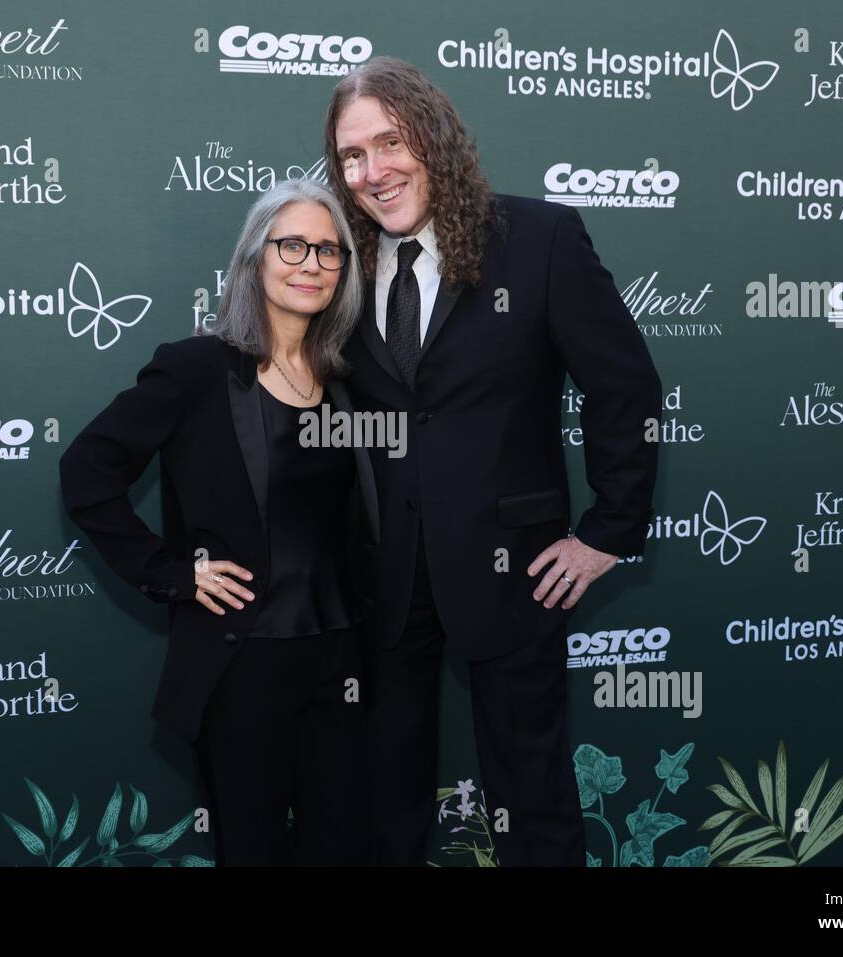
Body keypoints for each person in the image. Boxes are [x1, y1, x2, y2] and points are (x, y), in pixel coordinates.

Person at [324, 56, 663, 865]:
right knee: (381, 797)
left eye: (390, 142)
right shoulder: (338, 261)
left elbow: (626, 387)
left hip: (516, 569)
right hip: (381, 575)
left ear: (435, 137)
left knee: (532, 795)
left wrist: (607, 531)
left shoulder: (539, 239)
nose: (374, 171)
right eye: (352, 156)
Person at [58, 177, 377, 865]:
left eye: (329, 250)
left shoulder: (350, 381)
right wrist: (172, 574)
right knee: (250, 848)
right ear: (255, 258)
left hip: (343, 659)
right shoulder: (197, 369)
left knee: (343, 845)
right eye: (292, 245)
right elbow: (86, 471)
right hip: (243, 662)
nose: (311, 263)